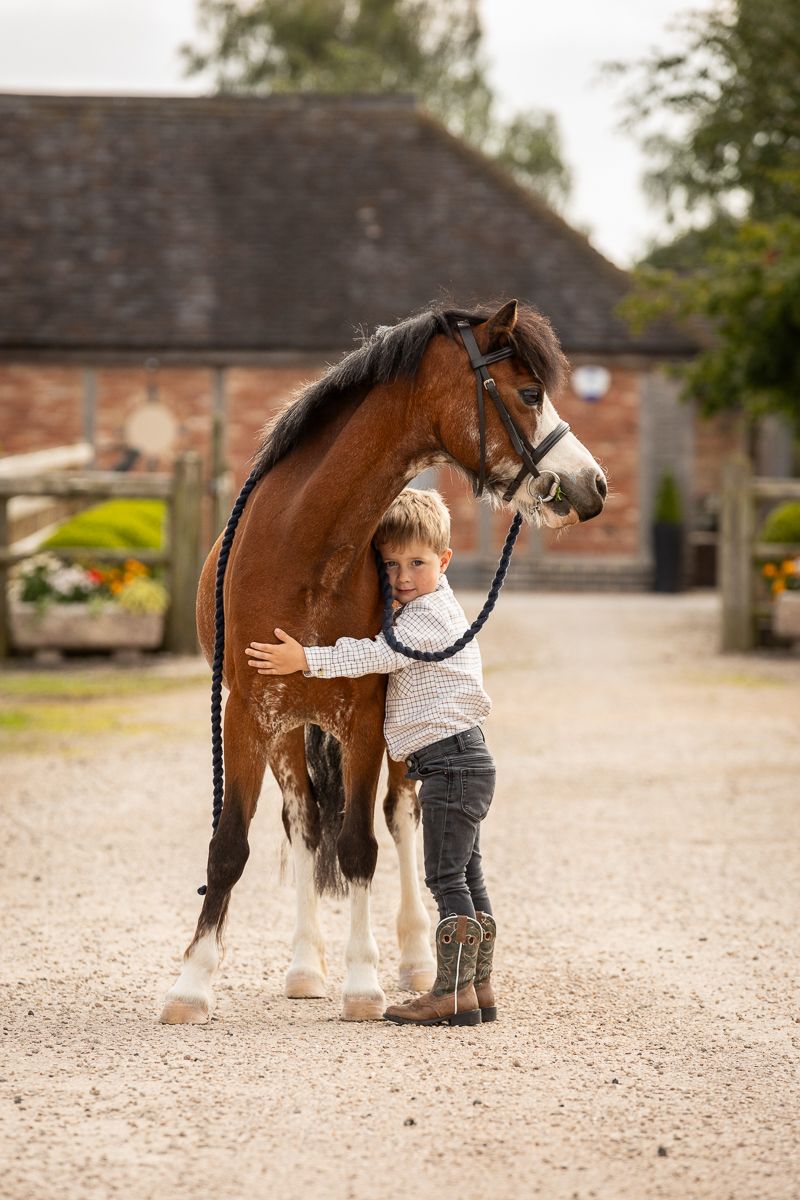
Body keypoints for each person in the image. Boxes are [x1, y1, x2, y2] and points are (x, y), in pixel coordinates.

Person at [245, 488, 497, 1027]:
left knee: (446, 877)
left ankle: (450, 994)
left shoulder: (422, 620)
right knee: (468, 875)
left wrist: (303, 659)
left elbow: (372, 653)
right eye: (390, 566)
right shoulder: (438, 603)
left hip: (451, 766)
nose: (403, 577)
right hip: (462, 763)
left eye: (417, 563)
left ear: (444, 562)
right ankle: (479, 986)